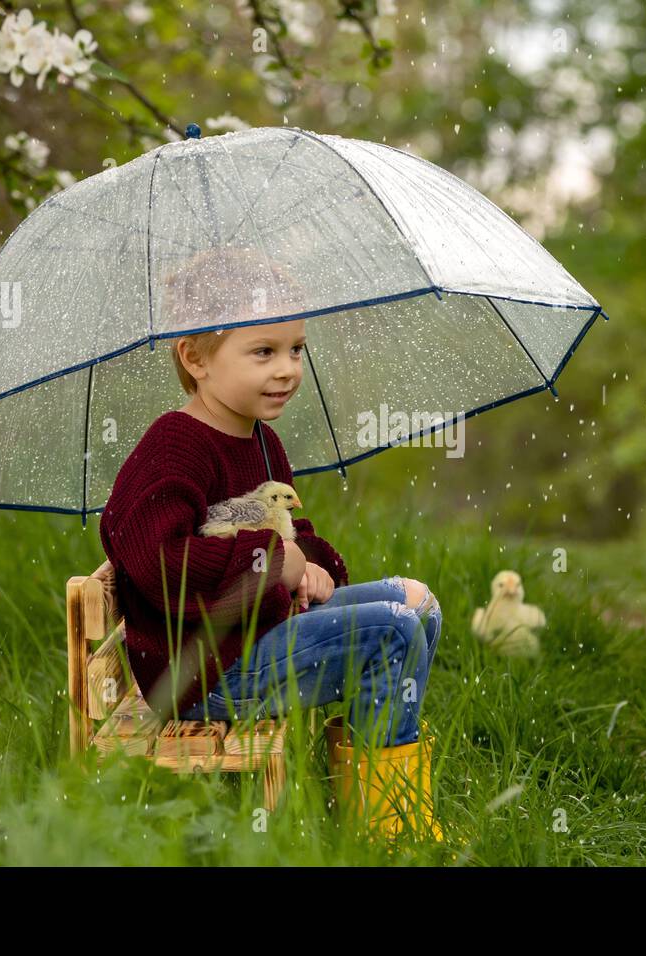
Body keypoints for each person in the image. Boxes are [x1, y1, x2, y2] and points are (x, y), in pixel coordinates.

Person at [98, 247, 444, 840]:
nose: (287, 369)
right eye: (263, 352)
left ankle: (362, 786)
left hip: (259, 630)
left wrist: (314, 566)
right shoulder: (173, 448)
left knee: (415, 601)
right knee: (389, 631)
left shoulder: (260, 441)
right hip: (203, 670)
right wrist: (272, 562)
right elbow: (159, 561)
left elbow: (294, 537)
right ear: (195, 357)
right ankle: (388, 828)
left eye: (295, 350)